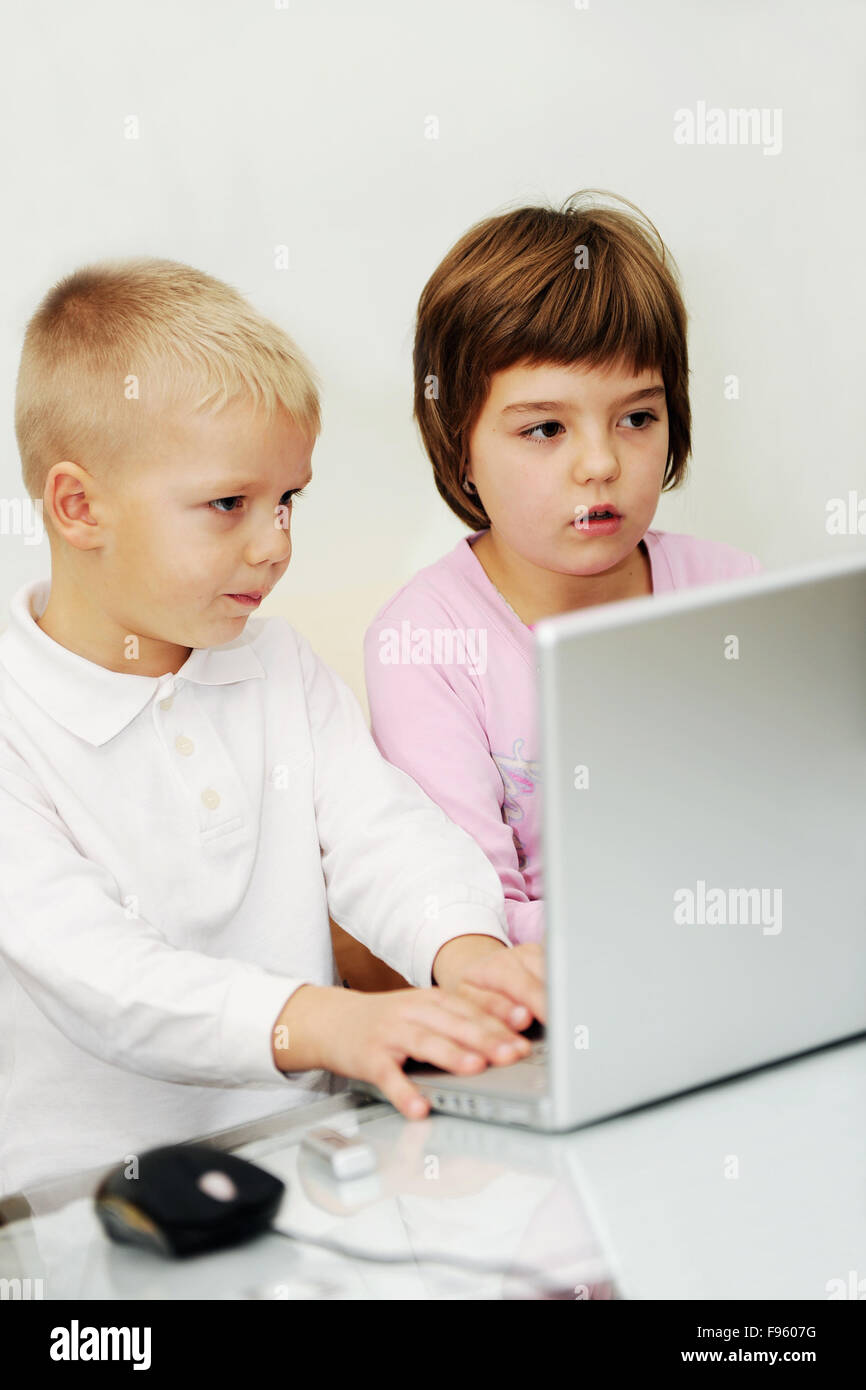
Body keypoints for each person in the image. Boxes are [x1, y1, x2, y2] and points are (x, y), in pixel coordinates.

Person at [0, 258, 544, 1197]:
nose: (276, 543)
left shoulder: (277, 664)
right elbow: (102, 977)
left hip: (311, 1162)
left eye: (288, 500)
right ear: (78, 506)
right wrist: (334, 1022)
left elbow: (387, 836)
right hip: (78, 1218)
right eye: (229, 506)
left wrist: (467, 953)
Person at [364, 191, 762, 945]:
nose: (601, 463)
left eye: (637, 417)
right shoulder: (424, 643)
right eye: (545, 428)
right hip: (549, 1008)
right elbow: (469, 912)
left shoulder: (733, 590)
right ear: (461, 450)